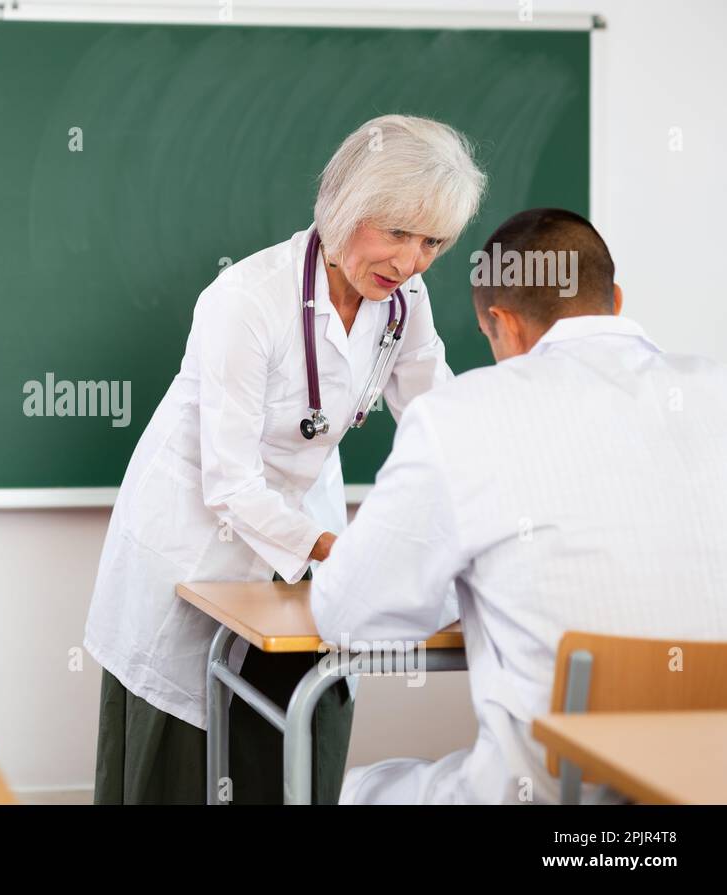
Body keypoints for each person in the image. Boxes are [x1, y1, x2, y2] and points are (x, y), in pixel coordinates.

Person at [84, 114, 486, 803]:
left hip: (302, 517)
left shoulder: (402, 302)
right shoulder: (245, 301)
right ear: (344, 208)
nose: (412, 262)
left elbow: (437, 418)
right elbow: (232, 482)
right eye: (396, 233)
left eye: (433, 242)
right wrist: (345, 549)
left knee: (302, 724)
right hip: (196, 530)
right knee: (184, 754)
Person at [311, 208, 727, 804]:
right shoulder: (715, 389)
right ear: (616, 299)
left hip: (555, 796)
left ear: (502, 324)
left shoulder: (462, 415)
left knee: (353, 792)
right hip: (710, 781)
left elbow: (345, 614)